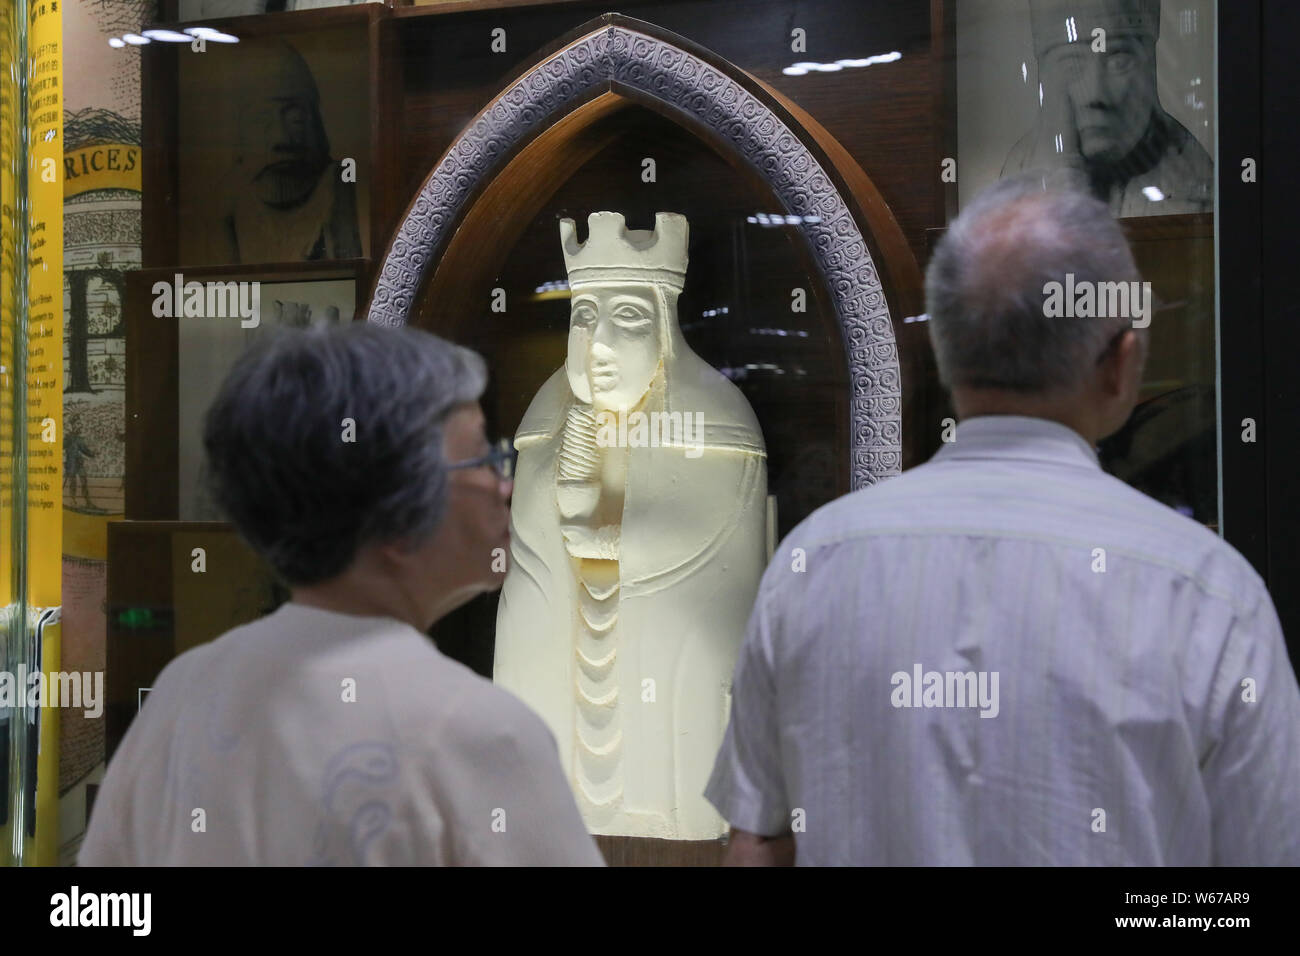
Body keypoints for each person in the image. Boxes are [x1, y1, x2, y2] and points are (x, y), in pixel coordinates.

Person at [705, 176, 1300, 865]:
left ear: (947, 352)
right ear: (1122, 363)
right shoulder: (1208, 595)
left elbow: (757, 845)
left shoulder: (809, 567)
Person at [79, 324, 604, 866]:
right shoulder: (481, 732)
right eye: (481, 461)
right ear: (396, 514)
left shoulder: (183, 693)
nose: (506, 485)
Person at [1002, 0, 1212, 217]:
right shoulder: (1019, 172)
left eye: (1119, 63)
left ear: (1150, 68)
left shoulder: (1191, 174)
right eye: (1072, 64)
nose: (1095, 93)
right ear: (1044, 75)